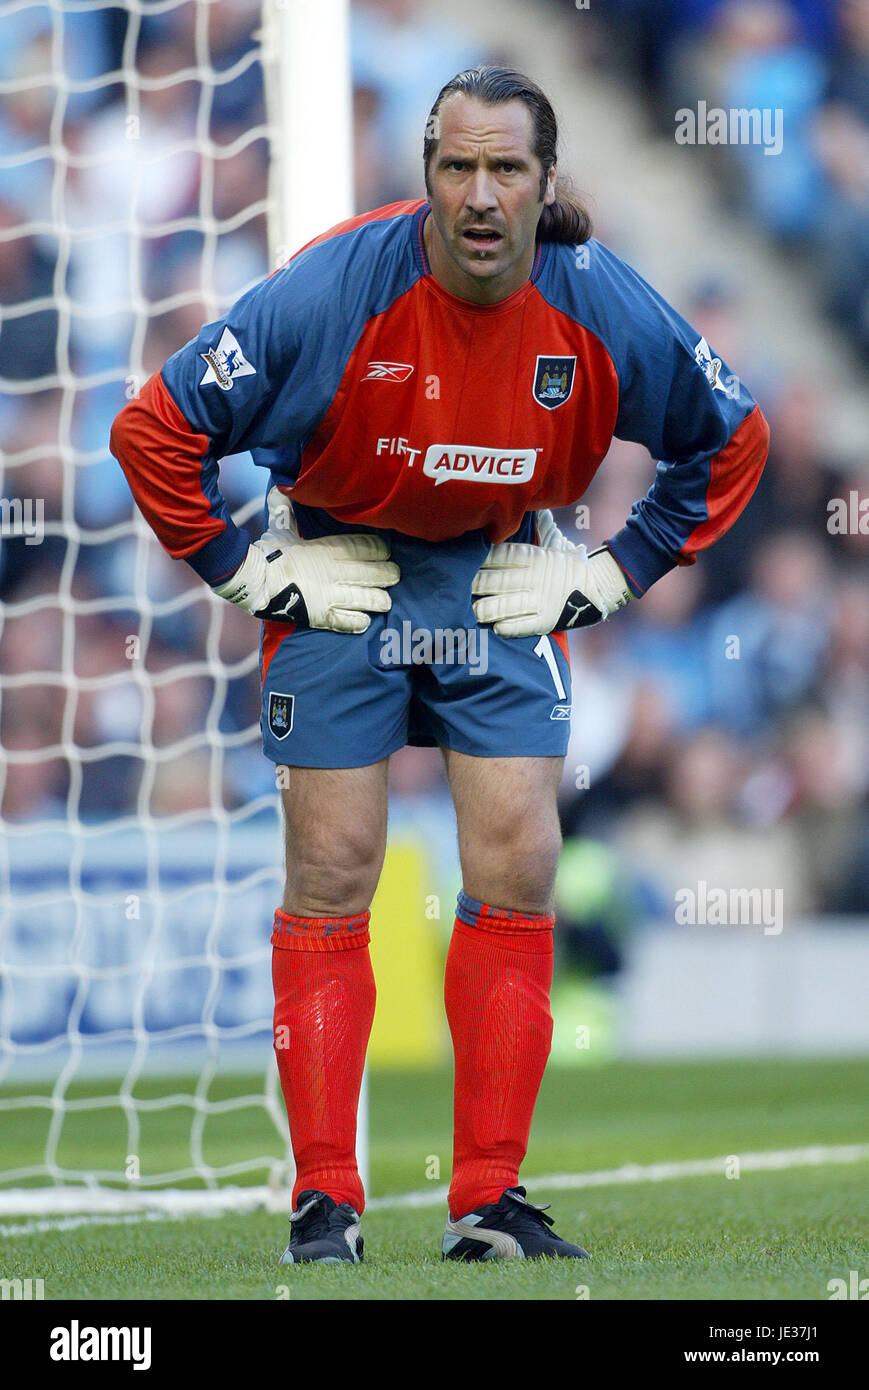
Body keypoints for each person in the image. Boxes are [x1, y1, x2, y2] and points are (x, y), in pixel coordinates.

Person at [110, 65, 770, 1265]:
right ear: (425, 178)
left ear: (543, 183)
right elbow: (152, 430)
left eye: (504, 169)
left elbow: (732, 440)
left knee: (517, 858)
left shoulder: (599, 305)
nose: (478, 193)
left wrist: (611, 573)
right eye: (456, 167)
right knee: (333, 868)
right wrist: (246, 572)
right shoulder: (329, 291)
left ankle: (487, 1201)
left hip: (501, 569)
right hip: (339, 567)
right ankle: (324, 1200)